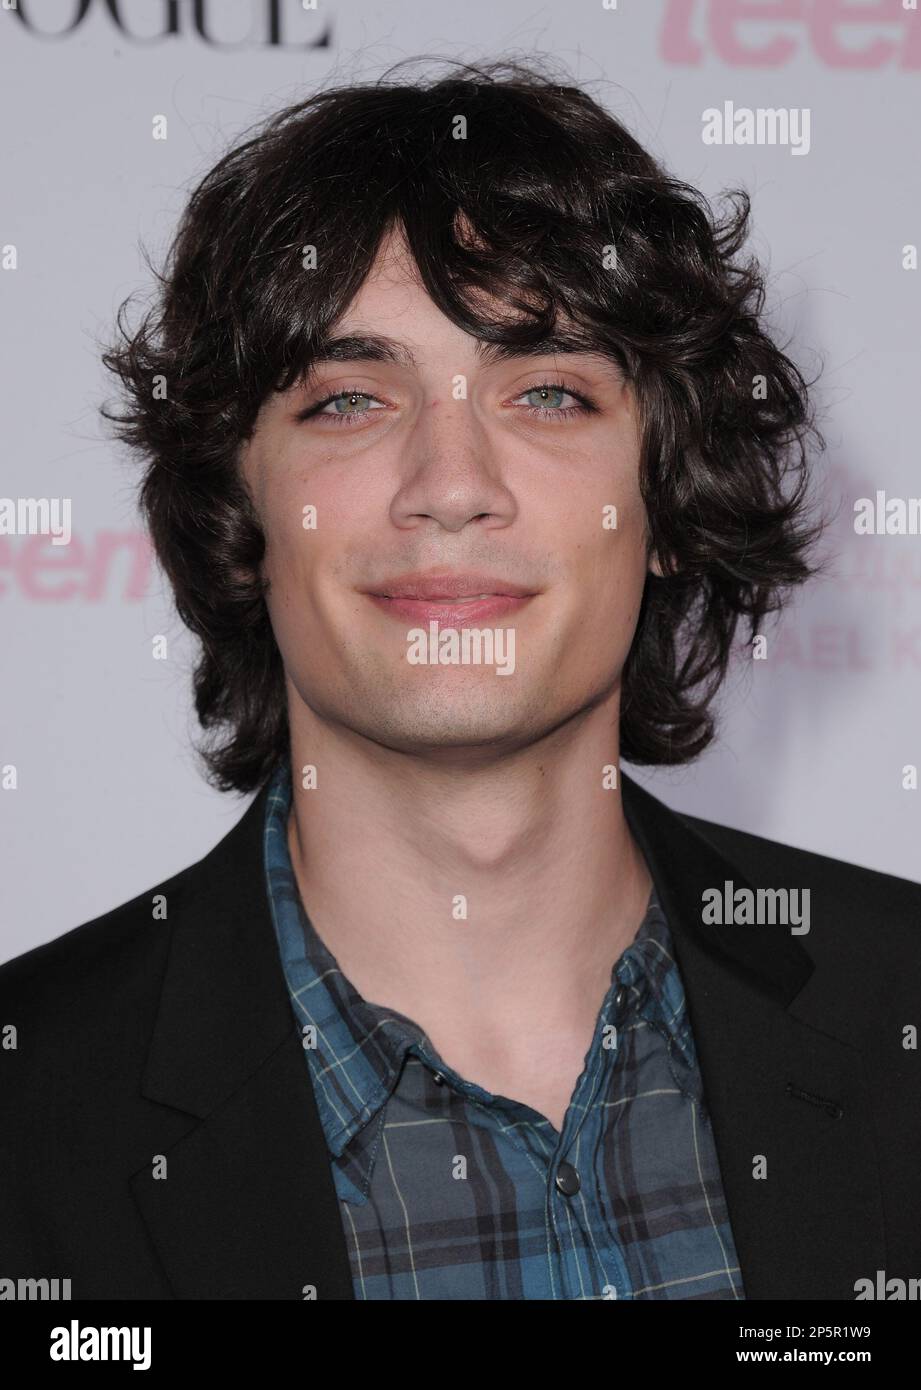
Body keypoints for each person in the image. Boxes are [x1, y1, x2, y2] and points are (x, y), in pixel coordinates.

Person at [2, 58, 919, 1302]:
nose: (448, 480)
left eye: (547, 390)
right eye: (346, 400)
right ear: (241, 505)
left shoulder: (897, 1005)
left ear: (664, 501)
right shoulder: (31, 1113)